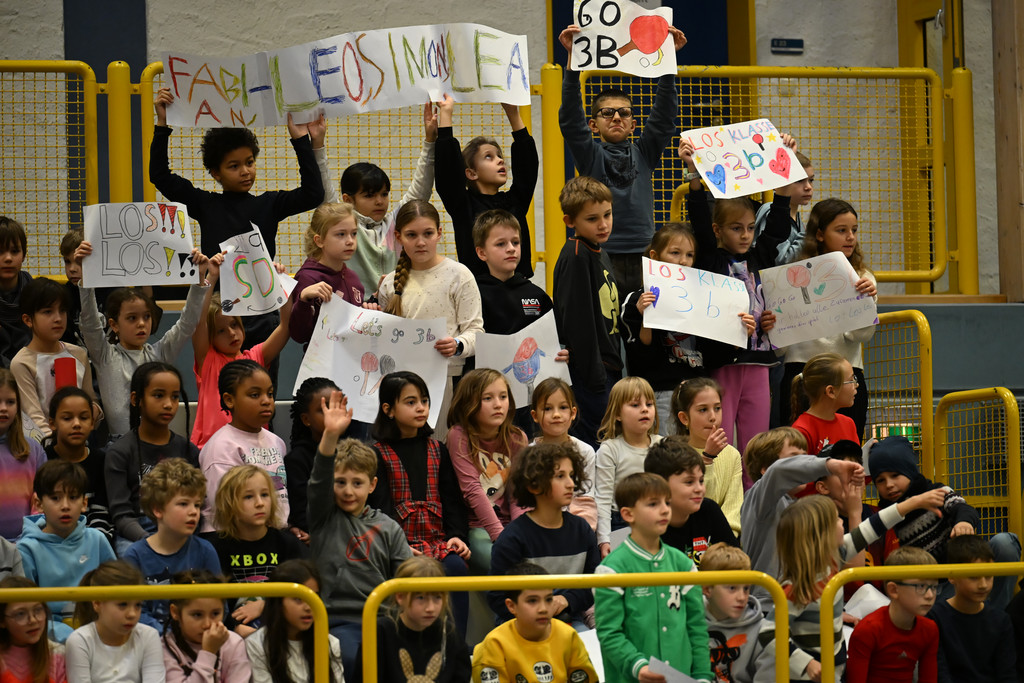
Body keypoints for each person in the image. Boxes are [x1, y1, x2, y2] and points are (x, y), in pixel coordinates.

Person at [149, 87, 322, 375]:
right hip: (221, 316)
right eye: (234, 166)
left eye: (250, 162)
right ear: (216, 173)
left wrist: (299, 140)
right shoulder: (205, 204)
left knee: (261, 393)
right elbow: (160, 176)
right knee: (222, 391)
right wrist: (162, 123)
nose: (245, 171)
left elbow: (313, 193)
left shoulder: (269, 204)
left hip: (263, 316)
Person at [681, 139, 792, 467]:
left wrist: (783, 182)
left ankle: (748, 507)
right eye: (735, 229)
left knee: (755, 447)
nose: (744, 235)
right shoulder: (711, 259)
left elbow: (777, 228)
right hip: (723, 363)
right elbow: (699, 223)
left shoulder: (760, 255)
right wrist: (694, 176)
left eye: (747, 228)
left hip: (758, 363)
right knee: (718, 442)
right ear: (718, 230)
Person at [557, 24, 687, 294]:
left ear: (633, 124)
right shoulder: (590, 154)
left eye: (624, 113)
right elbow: (570, 119)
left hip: (645, 254)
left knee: (643, 325)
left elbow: (663, 117)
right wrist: (572, 62)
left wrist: (668, 61)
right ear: (593, 125)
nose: (617, 117)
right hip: (601, 253)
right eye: (607, 113)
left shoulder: (644, 152)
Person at [774, 493, 944, 682]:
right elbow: (769, 633)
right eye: (836, 519)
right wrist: (805, 663)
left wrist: (912, 503)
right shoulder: (795, 587)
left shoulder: (834, 560)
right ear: (821, 534)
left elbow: (871, 528)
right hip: (804, 677)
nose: (841, 521)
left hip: (833, 673)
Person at [308, 393, 411, 674]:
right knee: (355, 661)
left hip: (384, 621)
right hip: (336, 622)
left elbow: (406, 581)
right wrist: (330, 434)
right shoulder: (323, 518)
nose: (348, 491)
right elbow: (319, 477)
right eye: (340, 482)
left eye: (357, 483)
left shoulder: (389, 527)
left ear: (372, 485)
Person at [368, 371, 471, 635]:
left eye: (424, 400)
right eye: (411, 402)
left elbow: (453, 502)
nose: (421, 407)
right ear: (389, 409)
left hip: (438, 541)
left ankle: (455, 644)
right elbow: (379, 511)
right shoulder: (377, 454)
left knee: (456, 567)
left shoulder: (438, 449)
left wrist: (457, 536)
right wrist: (398, 547)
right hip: (400, 545)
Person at [73, 240, 209, 439]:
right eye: (132, 318)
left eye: (146, 317)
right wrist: (85, 277)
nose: (141, 324)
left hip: (157, 442)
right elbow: (90, 323)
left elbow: (186, 324)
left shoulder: (158, 354)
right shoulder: (105, 356)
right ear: (114, 325)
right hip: (119, 444)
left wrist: (198, 280)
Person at [869, 435, 1022, 609]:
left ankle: (997, 614)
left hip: (963, 572)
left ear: (910, 471)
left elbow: (962, 508)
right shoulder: (888, 515)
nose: (889, 484)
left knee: (1005, 542)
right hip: (932, 589)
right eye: (880, 480)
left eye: (895, 475)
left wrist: (963, 522)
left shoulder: (936, 492)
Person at [377, 200, 483, 439]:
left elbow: (476, 330)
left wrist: (457, 345)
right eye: (411, 235)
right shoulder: (389, 283)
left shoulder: (459, 275)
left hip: (445, 381)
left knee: (440, 450)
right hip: (399, 385)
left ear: (439, 233)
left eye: (428, 233)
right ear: (398, 236)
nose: (421, 242)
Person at [594, 473, 713, 683]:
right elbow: (609, 633)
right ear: (628, 514)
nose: (665, 509)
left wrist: (703, 675)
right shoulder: (611, 569)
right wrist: (637, 665)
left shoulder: (683, 564)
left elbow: (697, 626)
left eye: (667, 502)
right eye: (653, 504)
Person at [778, 199, 877, 437]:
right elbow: (780, 347)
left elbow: (861, 335)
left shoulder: (862, 277)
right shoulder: (792, 276)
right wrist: (771, 324)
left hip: (846, 373)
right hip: (801, 373)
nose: (850, 237)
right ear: (820, 234)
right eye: (841, 230)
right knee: (800, 451)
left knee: (846, 453)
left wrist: (866, 302)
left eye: (854, 230)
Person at [318, 104, 436, 294]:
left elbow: (420, 189)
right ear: (348, 200)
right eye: (369, 196)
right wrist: (317, 146)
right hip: (356, 311)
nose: (380, 201)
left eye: (384, 194)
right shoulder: (345, 226)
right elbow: (323, 191)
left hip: (395, 309)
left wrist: (430, 141)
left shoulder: (395, 222)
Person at [472, 209, 568, 436]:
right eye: (501, 244)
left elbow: (556, 341)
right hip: (487, 397)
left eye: (515, 242)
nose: (511, 249)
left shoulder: (536, 294)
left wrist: (562, 353)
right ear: (481, 252)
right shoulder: (472, 292)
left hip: (530, 399)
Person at [488, 442, 599, 627]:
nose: (571, 483)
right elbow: (497, 596)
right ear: (534, 486)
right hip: (519, 624)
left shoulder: (581, 529)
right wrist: (535, 613)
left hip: (568, 619)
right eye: (560, 476)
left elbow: (594, 583)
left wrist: (567, 600)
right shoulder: (513, 537)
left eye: (571, 475)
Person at [622, 223, 718, 433]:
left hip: (698, 390)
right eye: (675, 253)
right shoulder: (637, 300)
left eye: (690, 255)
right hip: (662, 391)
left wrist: (739, 330)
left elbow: (713, 352)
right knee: (669, 454)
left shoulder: (702, 297)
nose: (683, 261)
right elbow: (640, 357)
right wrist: (645, 318)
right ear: (655, 257)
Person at [191, 252, 290, 448]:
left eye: (234, 325)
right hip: (213, 449)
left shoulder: (254, 358)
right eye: (221, 330)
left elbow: (285, 327)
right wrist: (212, 276)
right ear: (210, 335)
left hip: (254, 451)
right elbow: (198, 320)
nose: (231, 333)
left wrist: (280, 284)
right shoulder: (208, 359)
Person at [551, 176, 621, 449]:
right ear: (570, 222)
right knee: (595, 446)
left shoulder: (598, 250)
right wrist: (594, 378)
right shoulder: (577, 255)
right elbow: (578, 323)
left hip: (607, 368)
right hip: (592, 375)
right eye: (592, 219)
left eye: (607, 215)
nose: (603, 224)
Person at [435, 96, 537, 278]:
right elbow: (447, 172)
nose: (500, 160)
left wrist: (513, 114)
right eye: (489, 157)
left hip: (518, 288)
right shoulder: (463, 206)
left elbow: (527, 169)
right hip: (480, 292)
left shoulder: (514, 203)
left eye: (499, 156)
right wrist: (446, 113)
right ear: (471, 173)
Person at [104, 362, 199, 556]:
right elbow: (121, 515)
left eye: (174, 397)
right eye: (158, 395)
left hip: (181, 528)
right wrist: (151, 542)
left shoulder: (188, 450)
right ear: (136, 399)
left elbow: (200, 503)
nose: (168, 404)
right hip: (136, 533)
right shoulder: (120, 452)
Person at [17, 460, 115, 642]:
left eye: (73, 497)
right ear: (38, 503)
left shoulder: (97, 539)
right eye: (55, 498)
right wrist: (70, 637)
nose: (65, 506)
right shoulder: (27, 549)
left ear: (84, 502)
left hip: (99, 632)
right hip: (48, 640)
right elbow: (27, 609)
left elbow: (116, 591)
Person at [446, 368, 528, 574]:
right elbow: (472, 490)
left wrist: (519, 534)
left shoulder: (517, 438)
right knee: (507, 567)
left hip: (513, 525)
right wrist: (501, 537)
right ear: (469, 403)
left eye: (503, 396)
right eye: (488, 398)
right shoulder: (459, 435)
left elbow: (518, 493)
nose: (498, 404)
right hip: (478, 527)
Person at [122, 458, 219, 630]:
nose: (193, 512)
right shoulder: (134, 556)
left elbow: (219, 605)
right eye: (183, 504)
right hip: (152, 643)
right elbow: (135, 612)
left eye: (197, 505)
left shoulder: (205, 551)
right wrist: (168, 638)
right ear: (157, 509)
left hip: (198, 638)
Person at [209, 465, 305, 637]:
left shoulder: (287, 543)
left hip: (281, 628)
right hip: (230, 634)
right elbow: (211, 601)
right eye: (248, 497)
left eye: (265, 495)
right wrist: (234, 628)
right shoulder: (215, 548)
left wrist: (265, 605)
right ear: (228, 503)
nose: (260, 503)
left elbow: (303, 590)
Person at [198, 360, 290, 536]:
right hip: (230, 538)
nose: (266, 401)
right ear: (229, 400)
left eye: (270, 394)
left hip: (271, 535)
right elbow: (224, 506)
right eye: (255, 395)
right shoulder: (222, 446)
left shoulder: (277, 442)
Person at [473, 562, 599, 683]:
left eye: (549, 599)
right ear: (511, 606)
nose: (543, 608)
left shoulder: (568, 636)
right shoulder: (493, 646)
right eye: (532, 601)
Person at [352, 555, 471, 683]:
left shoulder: (450, 634)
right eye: (420, 598)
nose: (430, 608)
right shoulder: (381, 632)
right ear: (400, 597)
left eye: (437, 597)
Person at [11, 277, 98, 440]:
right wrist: (58, 448)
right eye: (48, 312)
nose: (58, 318)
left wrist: (92, 412)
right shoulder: (22, 363)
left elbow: (91, 399)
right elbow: (34, 417)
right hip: (45, 451)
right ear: (28, 320)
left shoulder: (78, 353)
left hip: (80, 443)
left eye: (62, 310)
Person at [928, 535, 1016, 683]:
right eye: (973, 577)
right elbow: (940, 674)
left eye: (988, 576)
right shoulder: (935, 617)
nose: (983, 585)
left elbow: (1007, 675)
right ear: (952, 577)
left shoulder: (1001, 621)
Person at [846, 547, 939, 683]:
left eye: (934, 587)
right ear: (893, 590)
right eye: (920, 586)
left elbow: (929, 679)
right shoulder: (868, 630)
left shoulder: (930, 629)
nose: (930, 595)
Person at [594, 377, 663, 557]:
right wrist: (604, 538)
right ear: (617, 414)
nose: (644, 409)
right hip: (621, 522)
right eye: (635, 405)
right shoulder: (610, 449)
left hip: (658, 520)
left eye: (649, 404)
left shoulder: (662, 444)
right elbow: (602, 497)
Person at [244, 560, 343, 683]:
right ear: (278, 602)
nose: (308, 607)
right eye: (298, 599)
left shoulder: (330, 643)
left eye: (314, 597)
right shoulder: (256, 645)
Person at [65, 561, 164, 683]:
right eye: (122, 604)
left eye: (138, 605)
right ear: (97, 603)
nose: (132, 614)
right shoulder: (80, 640)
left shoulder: (149, 636)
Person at [644, 436, 737, 565]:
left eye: (701, 481)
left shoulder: (709, 510)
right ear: (660, 485)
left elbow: (737, 563)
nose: (699, 489)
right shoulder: (647, 525)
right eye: (689, 482)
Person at [671, 378, 743, 536]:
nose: (713, 417)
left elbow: (733, 508)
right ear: (684, 418)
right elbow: (702, 506)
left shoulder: (732, 454)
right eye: (703, 410)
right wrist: (707, 459)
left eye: (717, 408)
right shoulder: (673, 454)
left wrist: (726, 543)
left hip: (724, 541)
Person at [288, 202, 364, 347]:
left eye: (353, 233)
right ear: (320, 240)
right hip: (320, 363)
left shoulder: (353, 278)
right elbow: (299, 334)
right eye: (341, 234)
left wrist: (370, 312)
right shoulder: (308, 278)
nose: (350, 241)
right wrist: (303, 300)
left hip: (351, 360)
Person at [44, 387, 112, 544]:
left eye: (83, 418)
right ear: (53, 424)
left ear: (92, 423)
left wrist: (90, 545)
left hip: (93, 541)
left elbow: (102, 513)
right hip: (52, 541)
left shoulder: (101, 460)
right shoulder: (43, 459)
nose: (76, 424)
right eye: (67, 418)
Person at [699, 543, 774, 683]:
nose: (741, 597)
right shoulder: (691, 621)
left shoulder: (762, 631)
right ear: (707, 590)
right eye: (732, 588)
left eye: (746, 588)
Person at [162, 569, 252, 683]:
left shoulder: (234, 643)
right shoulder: (165, 647)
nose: (207, 624)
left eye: (215, 613)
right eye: (197, 615)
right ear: (175, 612)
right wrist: (208, 653)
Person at [530, 378, 597, 529]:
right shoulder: (529, 453)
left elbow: (584, 499)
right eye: (547, 409)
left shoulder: (585, 451)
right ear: (534, 415)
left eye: (563, 407)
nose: (556, 414)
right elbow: (526, 501)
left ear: (573, 413)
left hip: (575, 529)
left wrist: (579, 534)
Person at [284, 377, 341, 538]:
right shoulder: (297, 460)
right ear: (306, 419)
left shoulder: (354, 451)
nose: (334, 414)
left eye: (338, 406)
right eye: (325, 409)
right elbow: (302, 515)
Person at [0, 369, 47, 541]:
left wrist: (31, 534)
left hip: (27, 543)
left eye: (10, 402)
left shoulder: (33, 449)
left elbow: (43, 495)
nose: (3, 408)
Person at [789, 352, 861, 453]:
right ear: (831, 391)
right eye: (851, 380)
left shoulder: (848, 424)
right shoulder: (802, 431)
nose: (856, 384)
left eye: (855, 378)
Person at [0, 576, 67, 683]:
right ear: (2, 621)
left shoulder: (57, 654)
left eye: (38, 610)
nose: (33, 620)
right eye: (20, 614)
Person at [753, 152, 815, 266]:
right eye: (799, 180)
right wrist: (810, 236)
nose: (808, 187)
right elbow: (782, 261)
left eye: (811, 180)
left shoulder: (797, 217)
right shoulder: (770, 212)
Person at [0, 217, 33, 368]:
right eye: (0, 252)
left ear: (24, 255)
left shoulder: (35, 293)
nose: (8, 258)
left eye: (15, 251)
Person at [58, 229, 85, 348]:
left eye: (79, 261)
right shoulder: (62, 295)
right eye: (67, 261)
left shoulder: (112, 291)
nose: (72, 269)